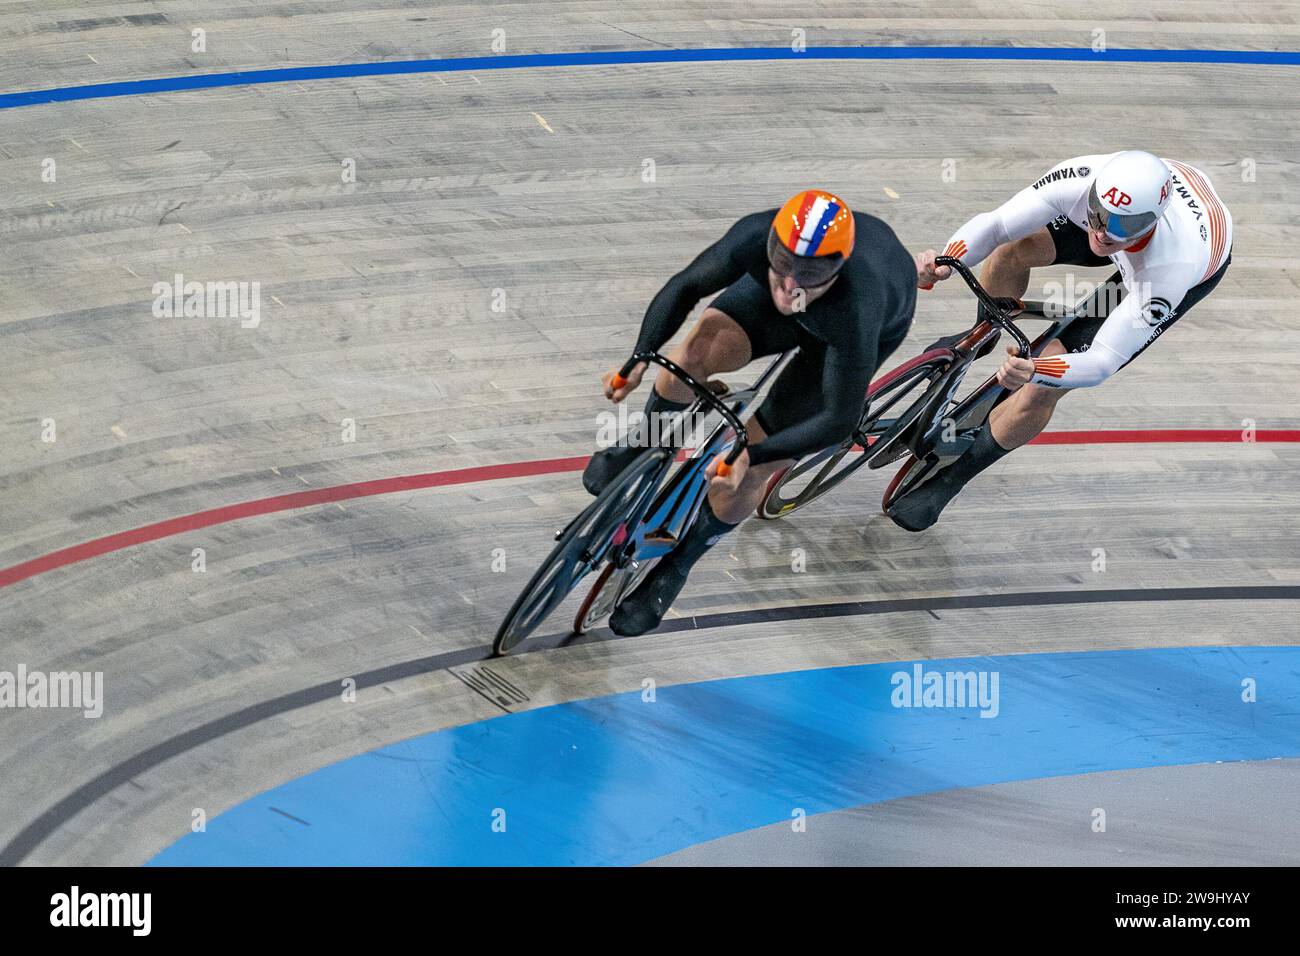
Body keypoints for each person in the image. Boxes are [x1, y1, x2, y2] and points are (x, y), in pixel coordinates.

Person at [585, 190, 916, 635]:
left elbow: (838, 419)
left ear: (838, 266)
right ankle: (647, 440)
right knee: (696, 348)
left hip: (841, 333)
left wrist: (750, 458)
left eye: (812, 271)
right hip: (796, 309)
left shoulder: (856, 305)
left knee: (754, 458)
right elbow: (686, 286)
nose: (792, 282)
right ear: (772, 241)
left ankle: (677, 566)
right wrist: (639, 359)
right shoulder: (757, 232)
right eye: (783, 261)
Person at [901, 150, 1233, 531]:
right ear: (1093, 194)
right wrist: (943, 261)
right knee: (1011, 250)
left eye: (1124, 225)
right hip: (1147, 209)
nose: (1106, 232)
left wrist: (1035, 369)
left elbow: (1102, 361)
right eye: (1099, 215)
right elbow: (995, 228)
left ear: (1152, 221)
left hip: (1171, 263)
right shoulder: (1079, 181)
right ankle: (985, 333)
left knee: (1042, 387)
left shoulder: (1170, 269)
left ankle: (950, 480)